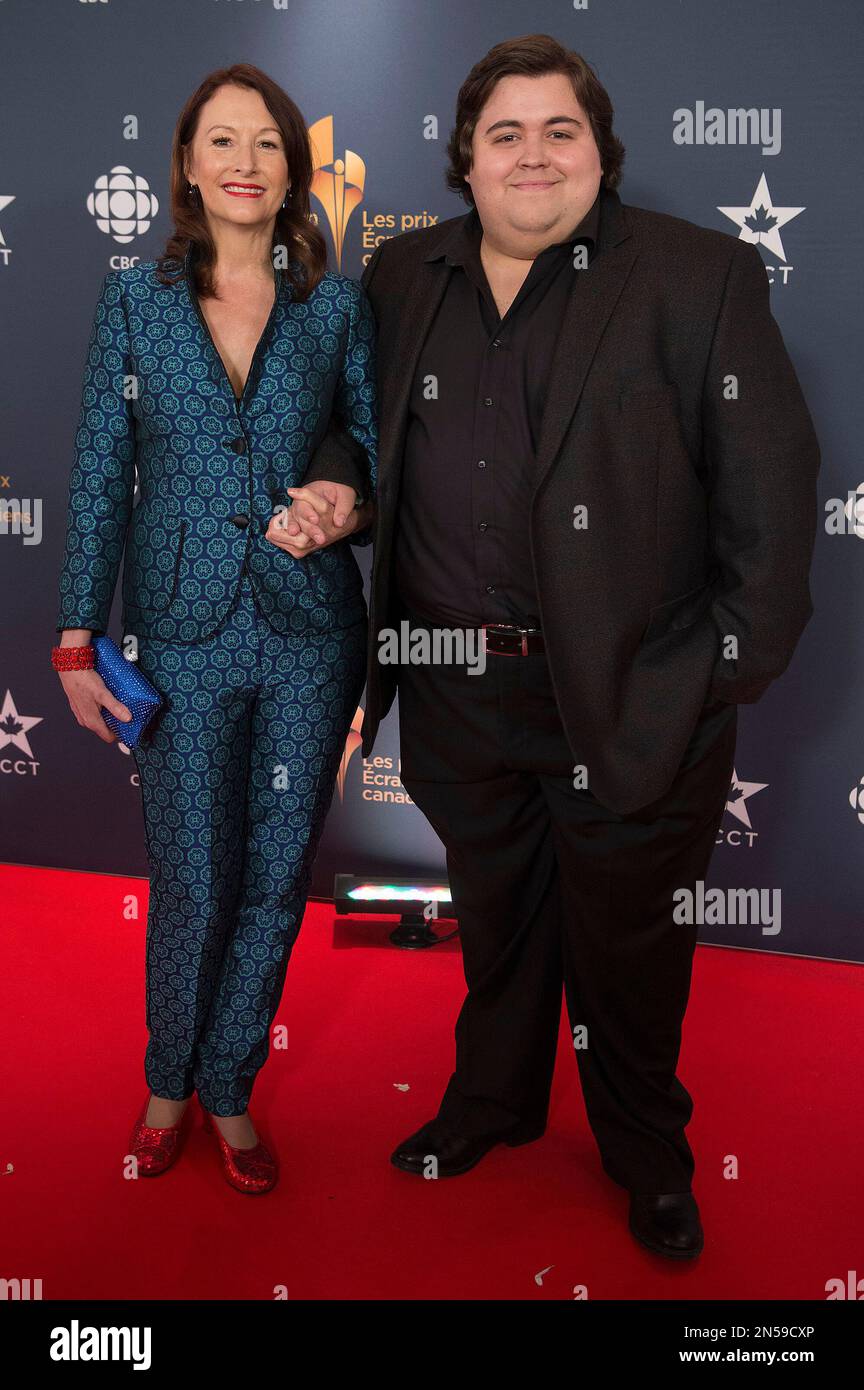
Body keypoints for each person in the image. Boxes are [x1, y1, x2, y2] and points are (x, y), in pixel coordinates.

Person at [289, 35, 820, 1255]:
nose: (534, 155)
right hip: (459, 694)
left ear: (601, 152)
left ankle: (649, 1155)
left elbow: (774, 492)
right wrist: (334, 494)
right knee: (501, 919)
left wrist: (712, 673)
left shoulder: (699, 277)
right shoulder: (403, 276)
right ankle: (493, 1105)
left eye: (559, 131)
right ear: (465, 159)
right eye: (506, 134)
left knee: (631, 952)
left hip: (634, 700)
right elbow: (356, 445)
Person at [54, 64, 376, 1195]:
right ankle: (166, 1086)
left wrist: (345, 503)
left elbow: (372, 457)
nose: (246, 165)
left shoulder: (335, 306)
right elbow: (98, 475)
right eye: (222, 143)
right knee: (193, 874)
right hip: (183, 632)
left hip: (308, 636)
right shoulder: (135, 302)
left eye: (268, 145)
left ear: (295, 169)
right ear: (188, 163)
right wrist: (75, 638)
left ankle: (232, 1086)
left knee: (278, 875)